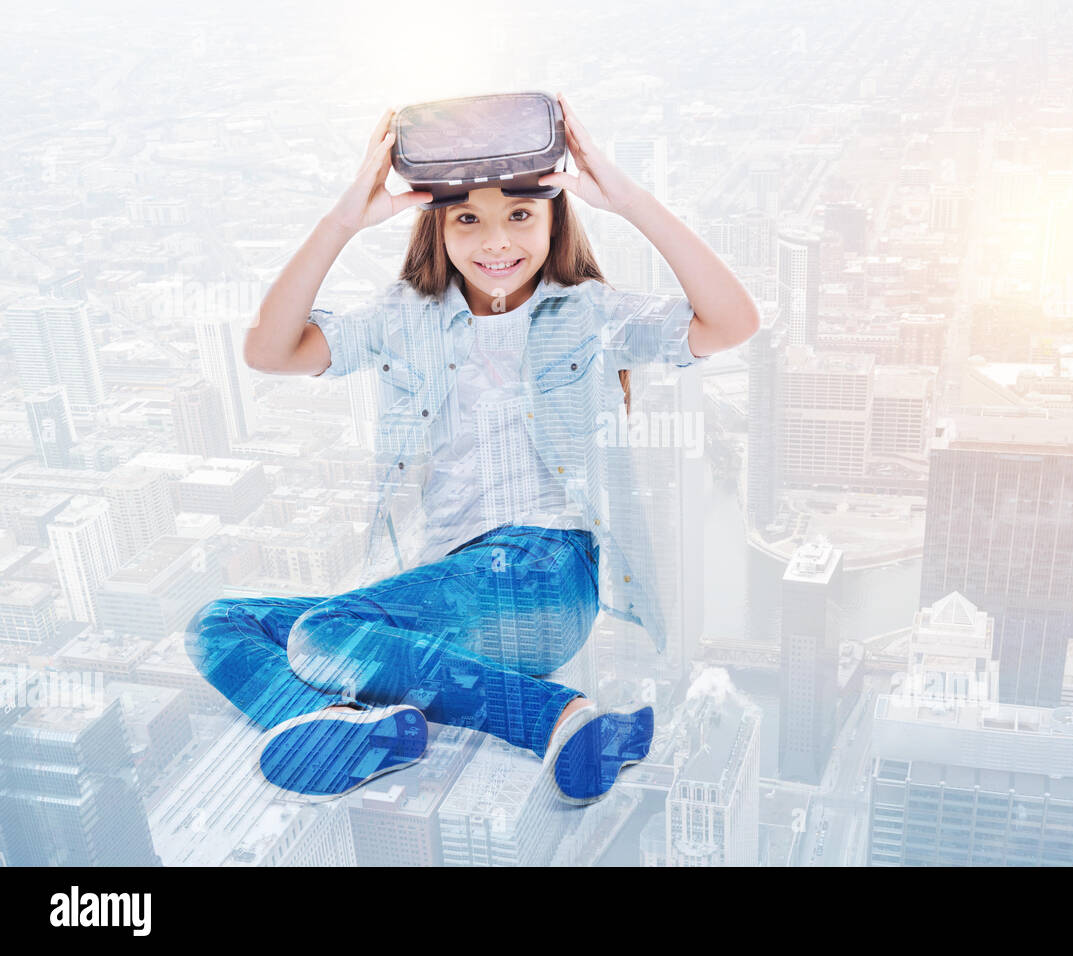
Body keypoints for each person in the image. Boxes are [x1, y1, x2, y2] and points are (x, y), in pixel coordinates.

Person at [186, 93, 760, 806]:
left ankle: (557, 715)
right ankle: (346, 730)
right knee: (220, 625)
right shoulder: (405, 317)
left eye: (520, 214)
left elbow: (732, 322)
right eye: (468, 219)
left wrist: (629, 200)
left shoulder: (589, 314)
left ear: (555, 217)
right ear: (438, 228)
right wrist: (344, 220)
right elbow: (270, 351)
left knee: (325, 632)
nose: (497, 242)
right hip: (456, 596)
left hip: (548, 575)